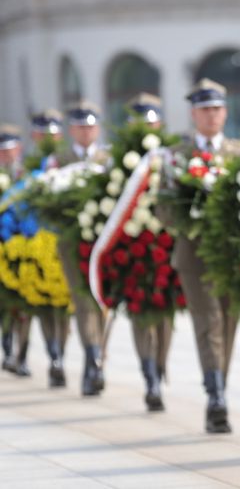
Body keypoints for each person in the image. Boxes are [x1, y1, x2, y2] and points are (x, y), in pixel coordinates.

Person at [169, 79, 240, 433]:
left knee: (228, 322)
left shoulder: (239, 153)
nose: (211, 116)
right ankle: (215, 394)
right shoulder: (177, 155)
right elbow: (162, 207)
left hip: (231, 253)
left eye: (216, 109)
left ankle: (220, 386)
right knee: (208, 320)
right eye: (204, 110)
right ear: (193, 114)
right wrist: (192, 213)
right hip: (194, 252)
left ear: (225, 112)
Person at [55, 101, 111, 397]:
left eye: (90, 126)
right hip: (72, 242)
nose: (86, 132)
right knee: (82, 300)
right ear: (72, 130)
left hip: (102, 242)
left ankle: (98, 354)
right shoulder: (59, 160)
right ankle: (92, 357)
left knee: (101, 300)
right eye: (80, 127)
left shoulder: (109, 159)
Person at [124, 93, 173, 412]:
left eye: (151, 121)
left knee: (165, 316)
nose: (146, 127)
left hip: (165, 246)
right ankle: (149, 375)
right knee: (140, 313)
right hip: (131, 247)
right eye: (140, 122)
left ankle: (160, 364)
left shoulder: (168, 156)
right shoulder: (121, 158)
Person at [26, 111, 71, 387]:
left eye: (52, 134)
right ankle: (53, 351)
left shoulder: (65, 163)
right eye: (43, 134)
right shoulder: (29, 167)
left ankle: (61, 354)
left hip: (61, 241)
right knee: (42, 303)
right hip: (33, 243)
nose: (48, 139)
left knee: (63, 304)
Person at [0, 123, 31, 378]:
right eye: (2, 151)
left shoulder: (26, 175)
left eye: (10, 150)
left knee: (23, 304)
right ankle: (8, 348)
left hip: (22, 246)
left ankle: (21, 355)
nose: (6, 156)